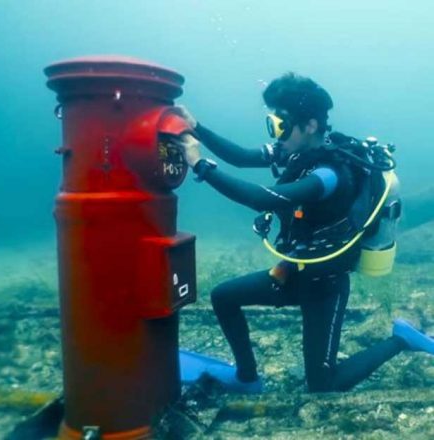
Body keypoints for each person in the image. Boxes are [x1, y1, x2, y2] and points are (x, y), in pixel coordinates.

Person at [172, 72, 434, 394]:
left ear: (310, 125)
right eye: (272, 124)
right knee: (223, 296)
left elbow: (262, 198)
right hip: (294, 272)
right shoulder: (296, 152)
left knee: (323, 384)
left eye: (281, 125)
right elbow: (240, 157)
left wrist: (199, 164)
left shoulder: (329, 175)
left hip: (325, 286)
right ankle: (247, 377)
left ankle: (400, 340)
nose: (275, 133)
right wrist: (195, 127)